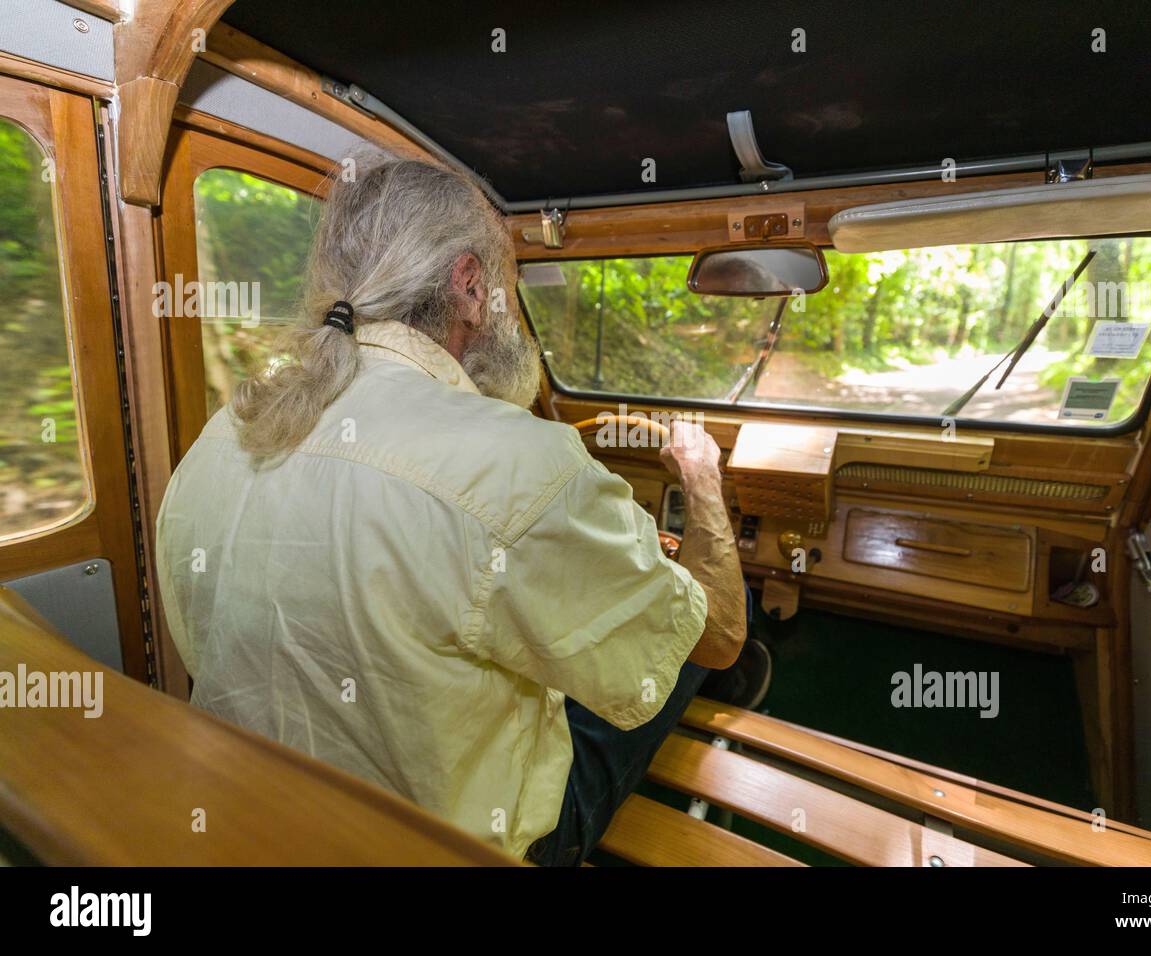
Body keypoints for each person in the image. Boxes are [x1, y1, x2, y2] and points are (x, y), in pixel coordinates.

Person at [154, 159, 770, 865]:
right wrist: (700, 478)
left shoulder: (224, 433)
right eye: (506, 284)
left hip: (261, 821)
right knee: (707, 614)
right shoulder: (517, 463)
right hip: (461, 847)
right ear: (472, 286)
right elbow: (716, 635)